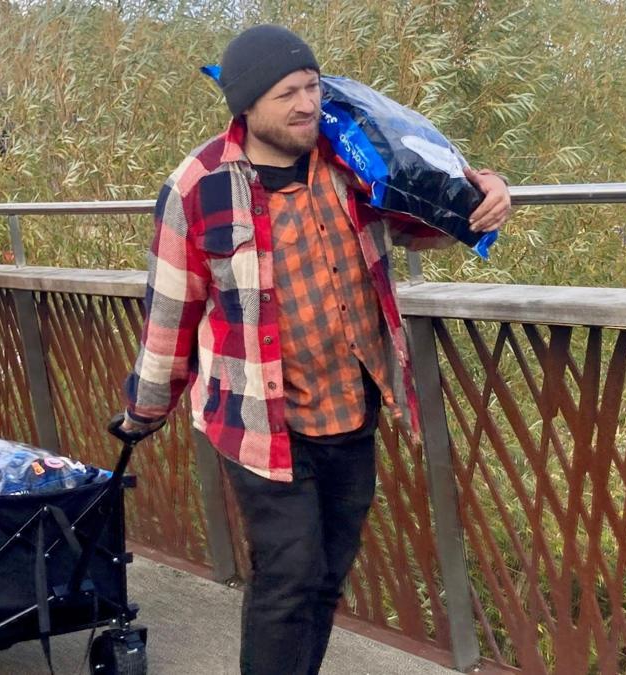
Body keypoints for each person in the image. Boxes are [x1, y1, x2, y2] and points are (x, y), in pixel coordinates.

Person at [119, 25, 511, 674]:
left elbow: (429, 215)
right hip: (260, 421)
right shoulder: (198, 186)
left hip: (353, 406)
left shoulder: (351, 155)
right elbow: (171, 314)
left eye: (311, 86)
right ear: (245, 106)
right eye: (287, 94)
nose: (306, 104)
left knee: (326, 576)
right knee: (289, 574)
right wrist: (144, 409)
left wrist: (485, 192)